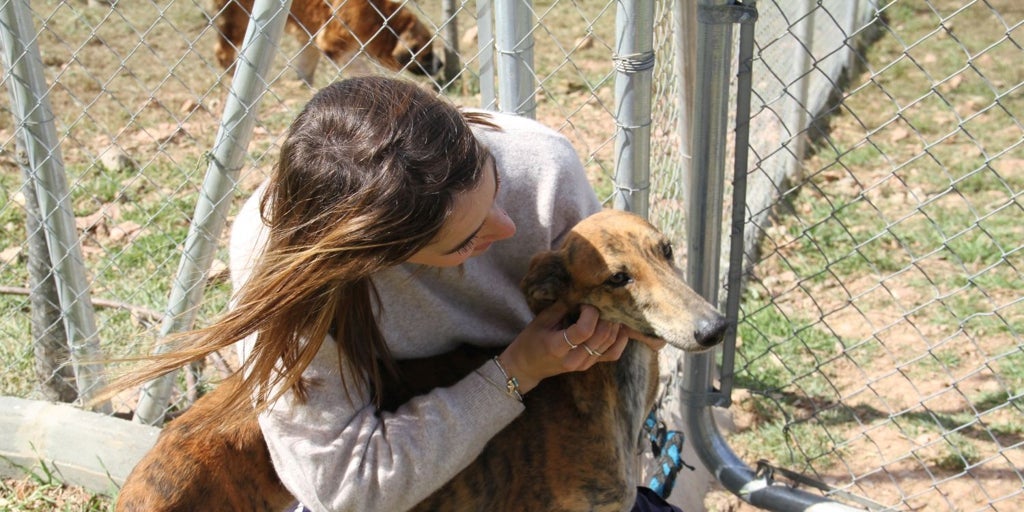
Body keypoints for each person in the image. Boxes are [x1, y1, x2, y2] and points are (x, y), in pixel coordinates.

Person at [126, 76, 680, 511]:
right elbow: (345, 487)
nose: (509, 228)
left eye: (491, 183)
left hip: (534, 444)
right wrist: (517, 370)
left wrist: (621, 337)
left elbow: (630, 326)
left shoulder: (542, 165)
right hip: (405, 465)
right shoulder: (283, 256)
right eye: (466, 241)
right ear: (378, 260)